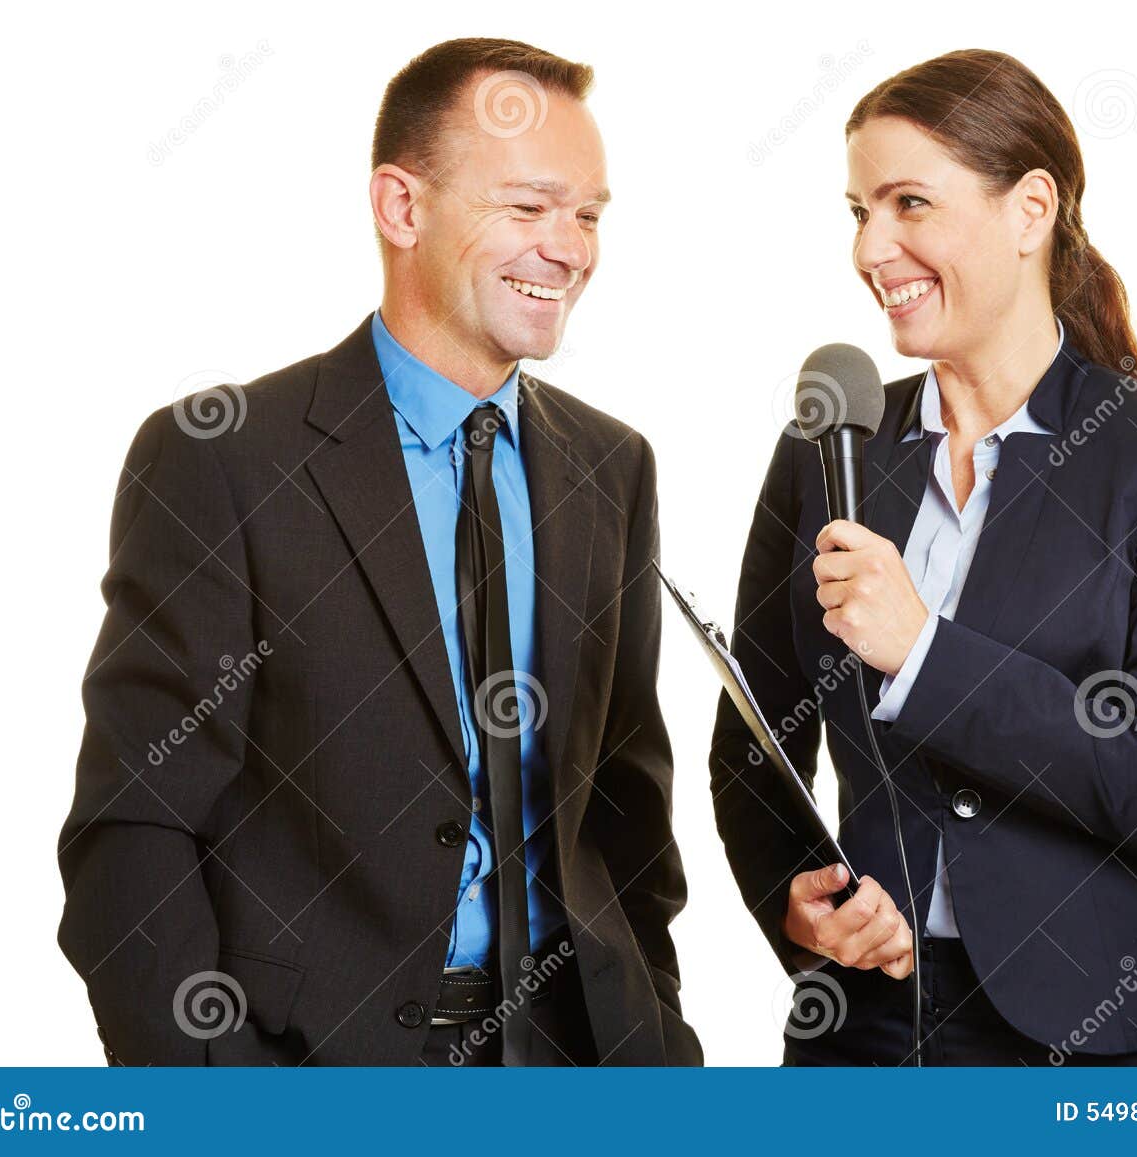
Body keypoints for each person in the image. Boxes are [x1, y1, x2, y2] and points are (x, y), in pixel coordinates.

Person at [57, 37, 701, 1067]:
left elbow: (625, 816)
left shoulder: (608, 465)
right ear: (402, 208)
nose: (569, 248)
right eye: (528, 208)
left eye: (588, 214)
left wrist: (655, 1040)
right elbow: (132, 829)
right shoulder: (225, 459)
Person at [711, 48, 1137, 1066]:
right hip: (866, 1028)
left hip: (1107, 1038)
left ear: (1030, 208)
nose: (872, 247)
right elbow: (755, 740)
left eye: (909, 203)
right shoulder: (827, 448)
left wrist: (924, 650)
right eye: (857, 211)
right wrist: (797, 898)